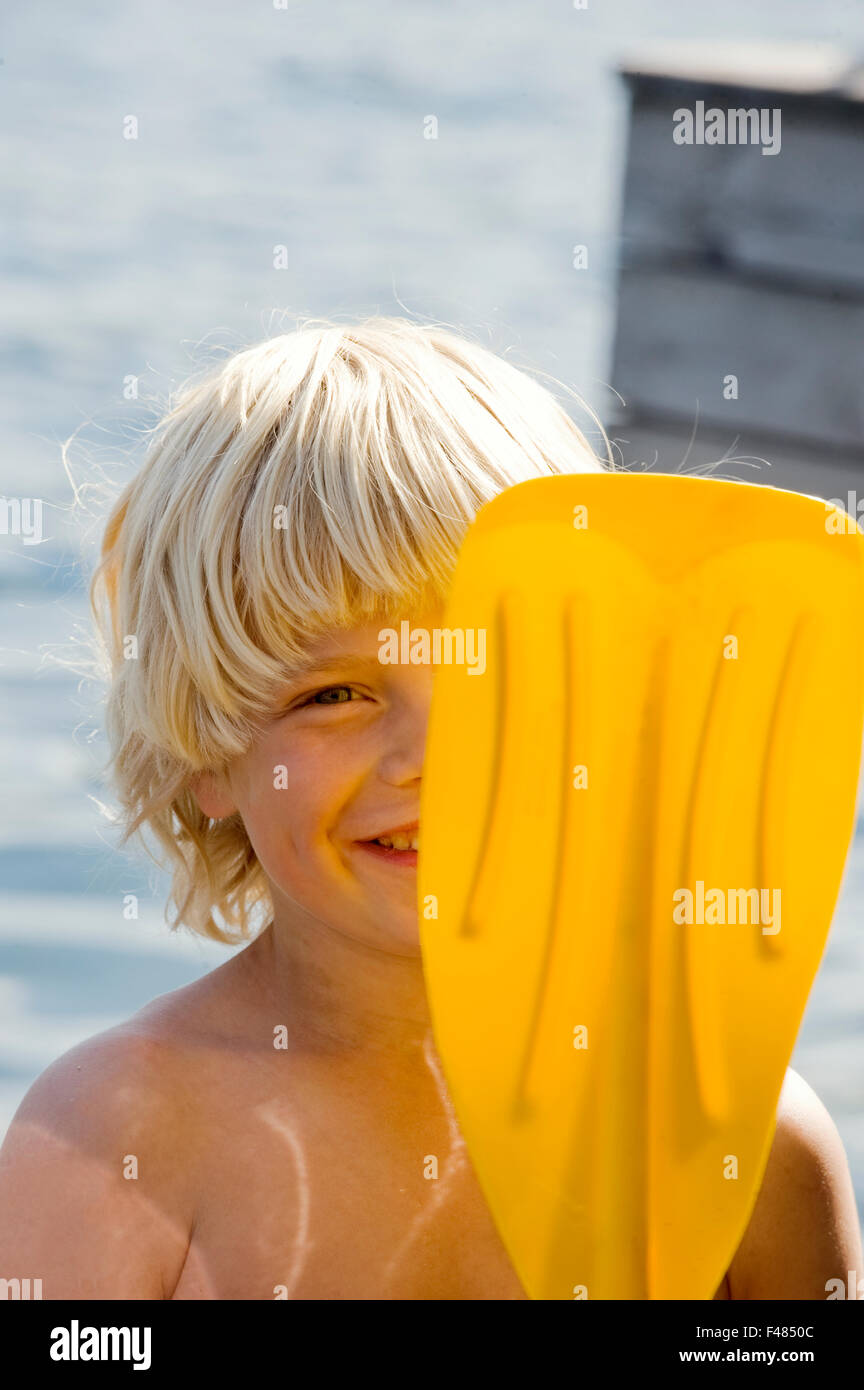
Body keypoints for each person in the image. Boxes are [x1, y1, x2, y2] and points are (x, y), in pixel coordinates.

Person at [0, 318, 859, 1299]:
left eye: (496, 679)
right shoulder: (115, 1141)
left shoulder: (736, 1141)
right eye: (334, 695)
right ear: (207, 751)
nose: (431, 758)